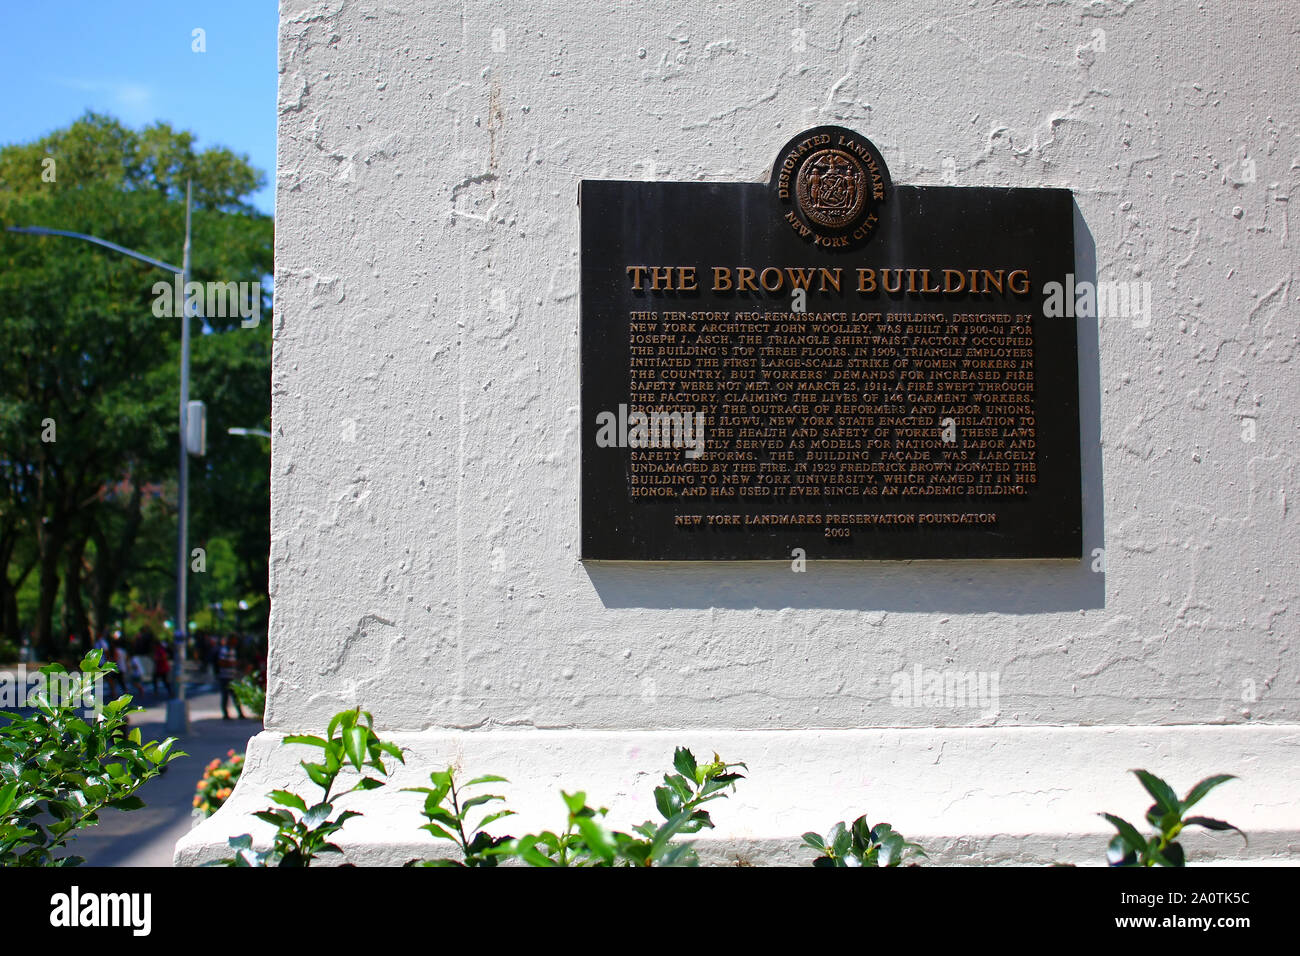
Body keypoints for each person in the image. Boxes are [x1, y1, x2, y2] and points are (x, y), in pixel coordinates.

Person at [217, 634, 246, 720]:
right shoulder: (224, 650)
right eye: (234, 640)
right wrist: (232, 664)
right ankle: (225, 714)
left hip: (231, 676)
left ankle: (240, 713)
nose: (235, 642)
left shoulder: (232, 650)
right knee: (226, 696)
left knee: (235, 695)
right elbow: (221, 662)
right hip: (225, 677)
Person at [151, 633, 172, 697]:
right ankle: (156, 691)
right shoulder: (157, 649)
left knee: (164, 681)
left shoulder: (160, 649)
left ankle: (170, 691)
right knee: (155, 679)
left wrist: (157, 658)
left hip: (163, 668)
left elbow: (164, 657)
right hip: (159, 668)